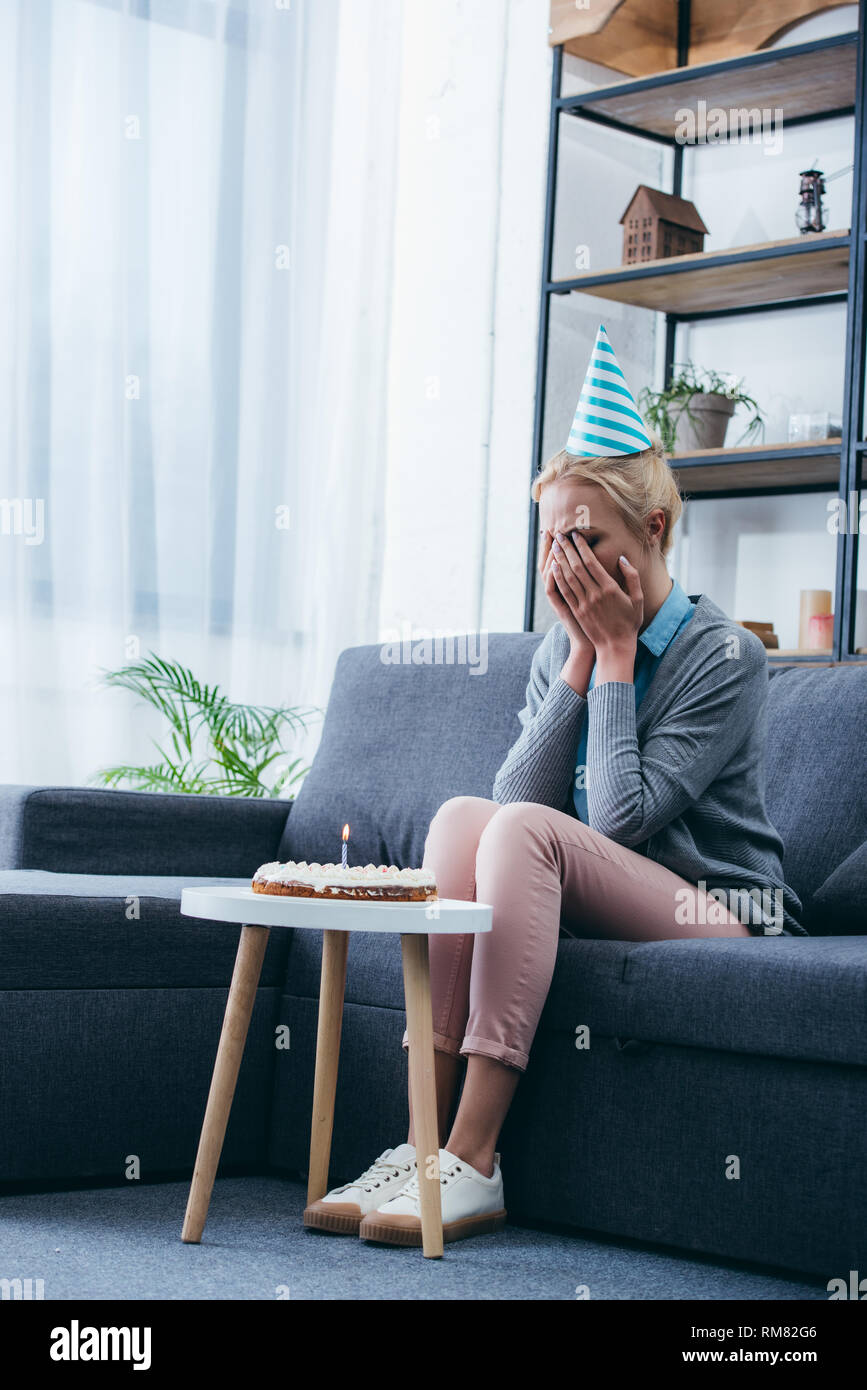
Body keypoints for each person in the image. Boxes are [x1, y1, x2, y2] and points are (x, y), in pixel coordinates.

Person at [303, 324, 806, 1249]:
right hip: (611, 886)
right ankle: (421, 1149)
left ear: (652, 531)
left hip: (723, 910)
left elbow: (617, 819)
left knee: (522, 832)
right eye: (550, 541)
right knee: (465, 817)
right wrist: (577, 658)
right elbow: (511, 794)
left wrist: (617, 654)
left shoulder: (722, 655)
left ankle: (476, 1157)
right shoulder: (556, 649)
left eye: (585, 538)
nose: (563, 562)